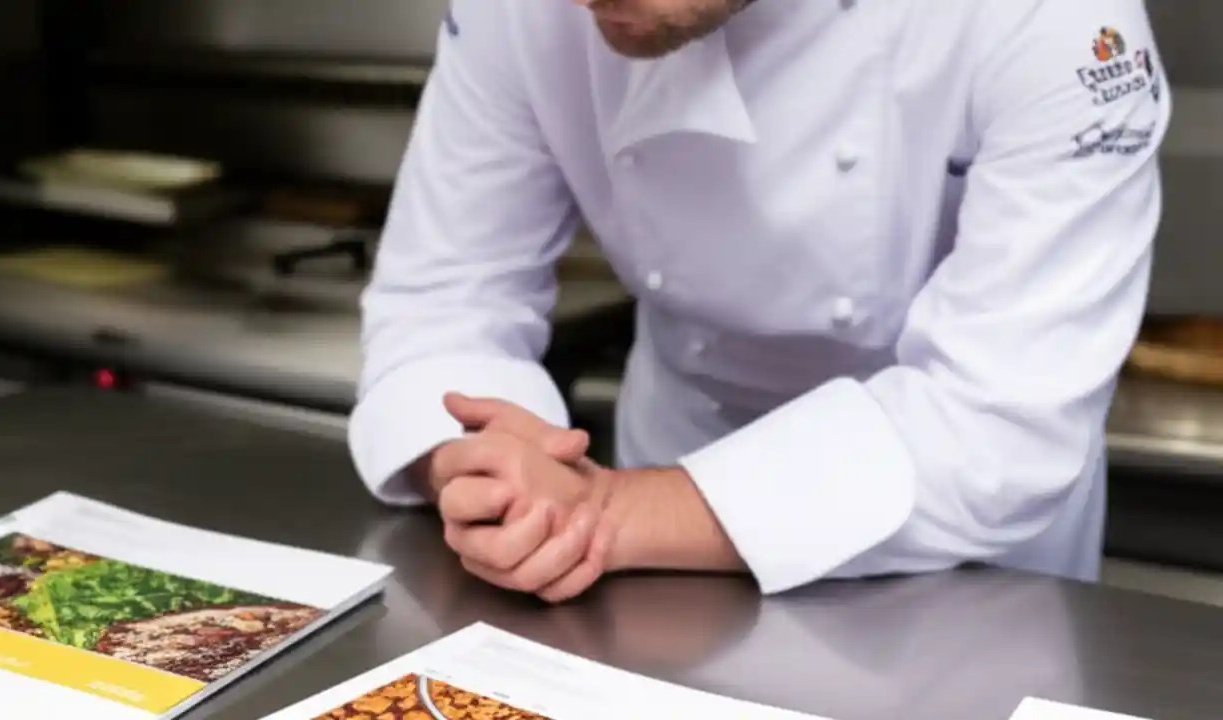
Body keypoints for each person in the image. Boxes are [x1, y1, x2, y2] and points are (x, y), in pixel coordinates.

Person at [349, 0, 1170, 602]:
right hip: (646, 563)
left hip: (961, 563)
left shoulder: (1053, 21)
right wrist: (494, 475)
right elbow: (444, 297)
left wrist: (608, 514)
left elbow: (998, 429)